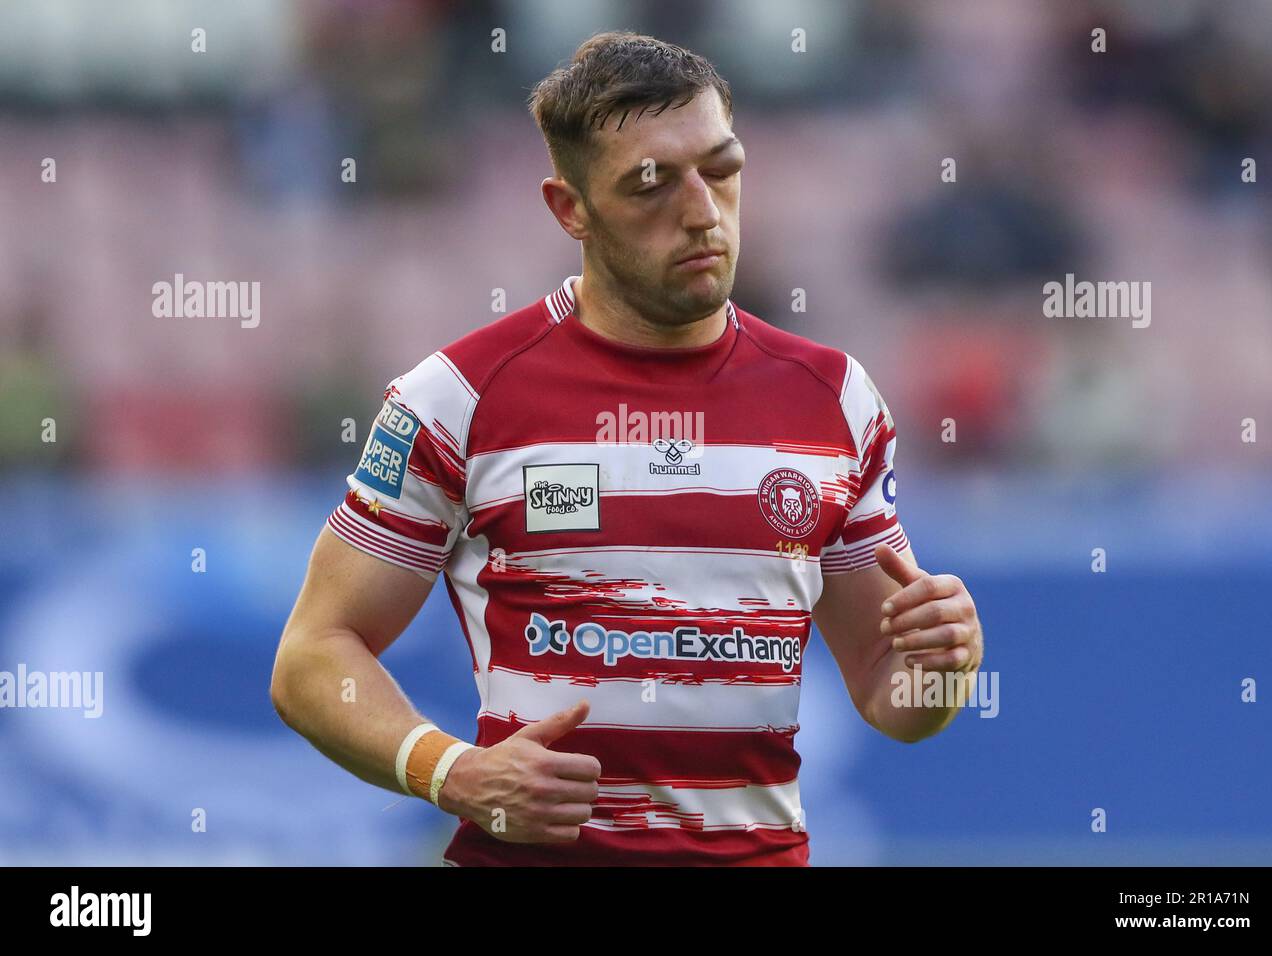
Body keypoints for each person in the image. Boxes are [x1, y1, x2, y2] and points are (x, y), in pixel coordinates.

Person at [271, 30, 984, 867]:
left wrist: (943, 668)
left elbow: (891, 696)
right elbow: (313, 657)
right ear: (570, 208)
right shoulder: (458, 397)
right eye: (651, 184)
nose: (701, 211)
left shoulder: (834, 399)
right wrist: (451, 772)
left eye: (720, 169)